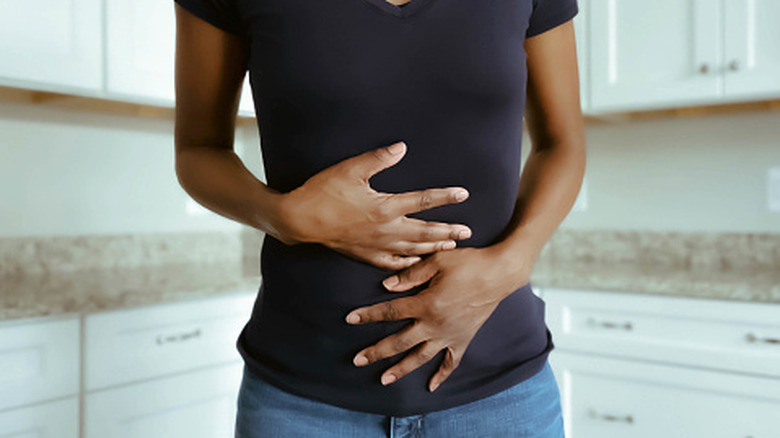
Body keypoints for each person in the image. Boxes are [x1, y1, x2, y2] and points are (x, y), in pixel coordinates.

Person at [172, 0, 585, 436]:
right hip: (302, 400)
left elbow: (562, 144)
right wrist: (284, 216)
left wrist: (511, 264)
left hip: (503, 394)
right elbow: (198, 150)